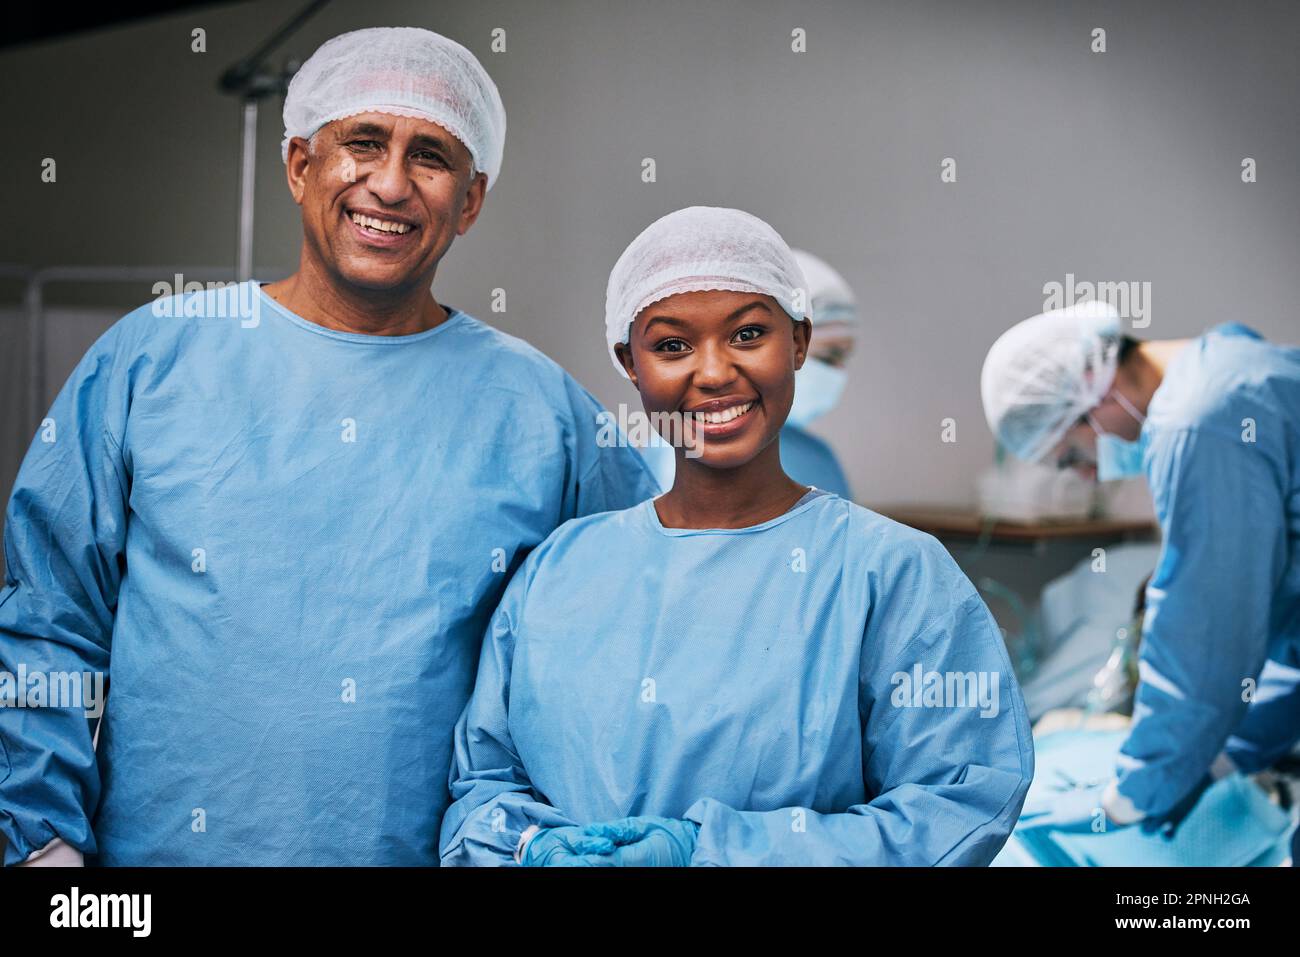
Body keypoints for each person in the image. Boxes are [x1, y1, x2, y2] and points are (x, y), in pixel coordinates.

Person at [0, 26, 658, 867]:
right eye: (362, 143)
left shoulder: (547, 415)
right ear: (300, 165)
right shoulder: (151, 359)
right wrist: (43, 844)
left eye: (430, 156)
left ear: (471, 199)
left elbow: (632, 641)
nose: (389, 183)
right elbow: (50, 623)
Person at [440, 206, 1033, 866]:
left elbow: (956, 805)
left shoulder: (894, 576)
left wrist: (711, 851)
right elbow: (481, 785)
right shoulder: (557, 570)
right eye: (671, 345)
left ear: (800, 341)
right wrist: (528, 846)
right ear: (629, 363)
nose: (715, 372)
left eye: (748, 333)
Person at [980, 301, 1300, 848]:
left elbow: (1207, 630)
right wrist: (1224, 755)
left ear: (1090, 387)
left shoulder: (1200, 421)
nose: (1088, 475)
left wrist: (1132, 793)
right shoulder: (1235, 368)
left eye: (1070, 457)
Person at [638, 248, 856, 499]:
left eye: (840, 358)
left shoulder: (818, 458)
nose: (714, 375)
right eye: (674, 346)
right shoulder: (676, 457)